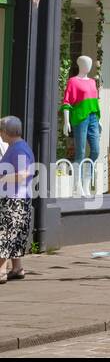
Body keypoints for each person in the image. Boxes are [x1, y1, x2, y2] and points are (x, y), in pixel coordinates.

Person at [0, 117, 36, 283]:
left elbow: (23, 174)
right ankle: (17, 268)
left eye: (1, 131)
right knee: (14, 235)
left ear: (6, 132)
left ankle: (1, 271)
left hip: (14, 201)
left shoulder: (19, 149)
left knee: (5, 234)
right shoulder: (16, 147)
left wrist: (2, 179)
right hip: (18, 199)